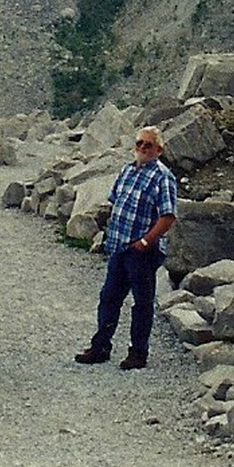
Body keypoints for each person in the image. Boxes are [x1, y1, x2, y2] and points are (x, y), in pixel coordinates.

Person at [75, 125, 178, 370]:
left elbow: (168, 216)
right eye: (139, 143)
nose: (142, 148)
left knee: (142, 302)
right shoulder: (127, 170)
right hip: (119, 246)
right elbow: (115, 202)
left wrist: (145, 242)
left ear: (159, 150)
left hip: (142, 251)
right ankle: (100, 347)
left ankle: (138, 353)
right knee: (109, 298)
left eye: (148, 145)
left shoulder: (163, 177)